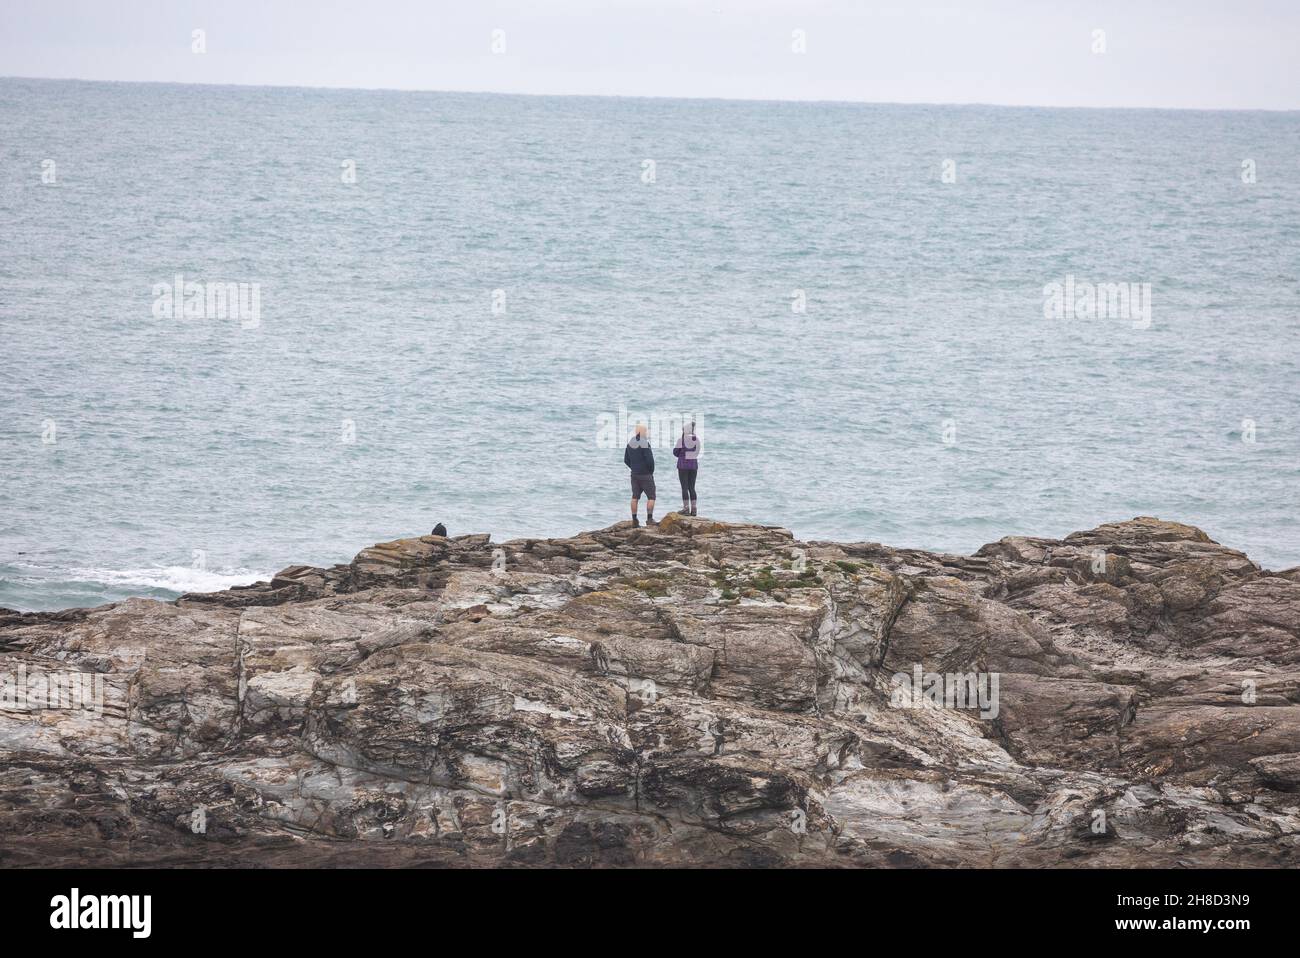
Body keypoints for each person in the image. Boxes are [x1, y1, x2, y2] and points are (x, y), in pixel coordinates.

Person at [624, 422, 656, 526]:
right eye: (646, 431)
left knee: (635, 497)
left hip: (634, 474)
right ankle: (649, 519)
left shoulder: (630, 443)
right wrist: (650, 472)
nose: (647, 433)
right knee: (651, 497)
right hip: (645, 474)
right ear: (642, 432)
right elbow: (650, 460)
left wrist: (633, 467)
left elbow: (626, 460)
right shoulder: (644, 443)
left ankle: (634, 520)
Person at [673, 422, 701, 515]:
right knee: (692, 488)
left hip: (683, 466)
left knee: (684, 488)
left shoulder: (681, 440)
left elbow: (675, 452)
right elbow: (697, 452)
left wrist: (682, 454)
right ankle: (694, 509)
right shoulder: (696, 440)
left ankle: (686, 509)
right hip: (693, 466)